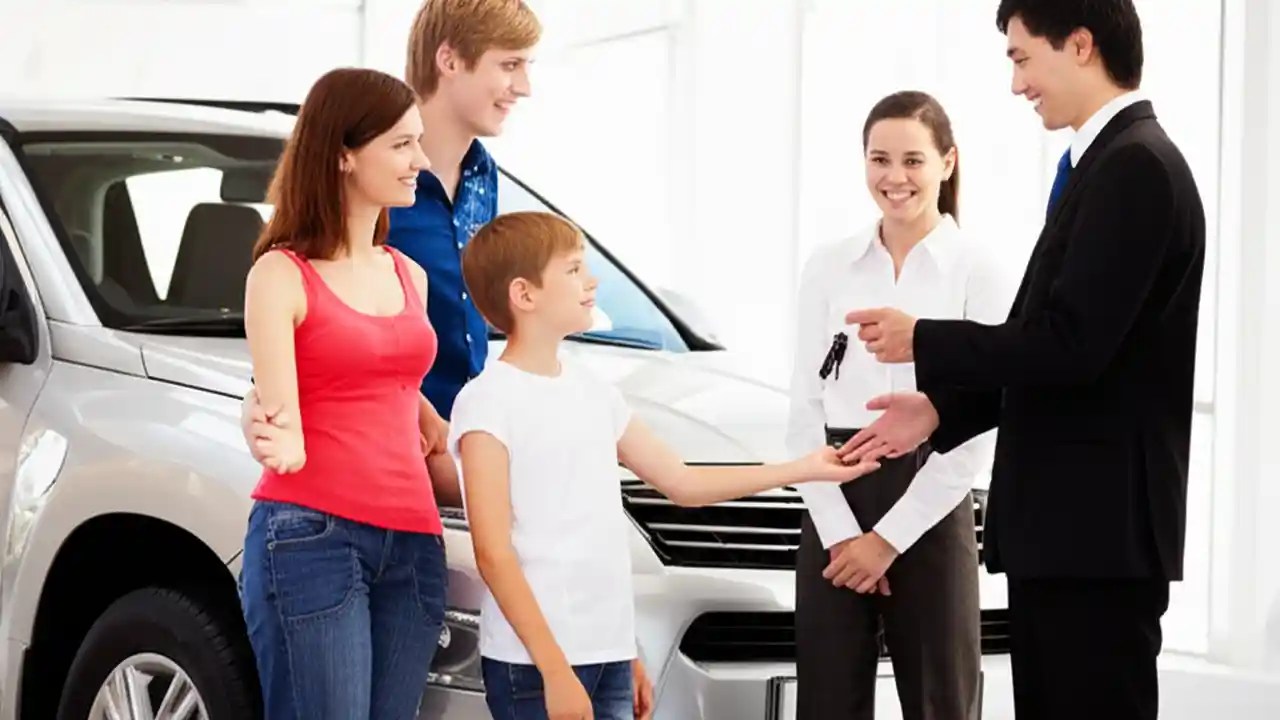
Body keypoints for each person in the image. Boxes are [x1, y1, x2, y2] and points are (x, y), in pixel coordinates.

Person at [840, 3, 1206, 719]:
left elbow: (1070, 346)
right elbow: (1062, 348)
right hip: (1076, 534)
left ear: (1079, 44)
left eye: (1020, 57)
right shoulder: (1104, 162)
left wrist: (925, 339)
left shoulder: (1135, 166)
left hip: (1096, 537)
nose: (1017, 84)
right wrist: (943, 408)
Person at [446, 211, 884, 720]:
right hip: (534, 664)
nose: (592, 282)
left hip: (605, 654)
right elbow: (493, 553)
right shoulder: (487, 402)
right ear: (525, 295)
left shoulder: (595, 393)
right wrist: (554, 670)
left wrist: (805, 468)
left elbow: (683, 483)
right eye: (572, 270)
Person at [238, 67, 457, 719]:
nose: (420, 160)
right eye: (400, 145)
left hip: (415, 545)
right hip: (313, 537)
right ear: (342, 153)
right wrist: (261, 421)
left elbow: (393, 386)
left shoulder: (408, 274)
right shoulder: (281, 275)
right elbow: (277, 413)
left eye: (419, 141)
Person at [788, 90, 1013, 720]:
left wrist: (886, 541)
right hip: (832, 499)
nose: (894, 177)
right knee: (827, 702)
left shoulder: (978, 268)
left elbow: (977, 428)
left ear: (947, 162)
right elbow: (802, 411)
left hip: (931, 501)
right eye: (879, 159)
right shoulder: (829, 265)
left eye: (913, 160)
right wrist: (842, 537)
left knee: (941, 701)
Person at [243, 0, 542, 461]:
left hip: (466, 445)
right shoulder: (369, 180)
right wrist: (261, 404)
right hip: (382, 452)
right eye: (510, 65)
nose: (523, 87)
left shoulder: (484, 175)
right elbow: (300, 321)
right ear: (449, 61)